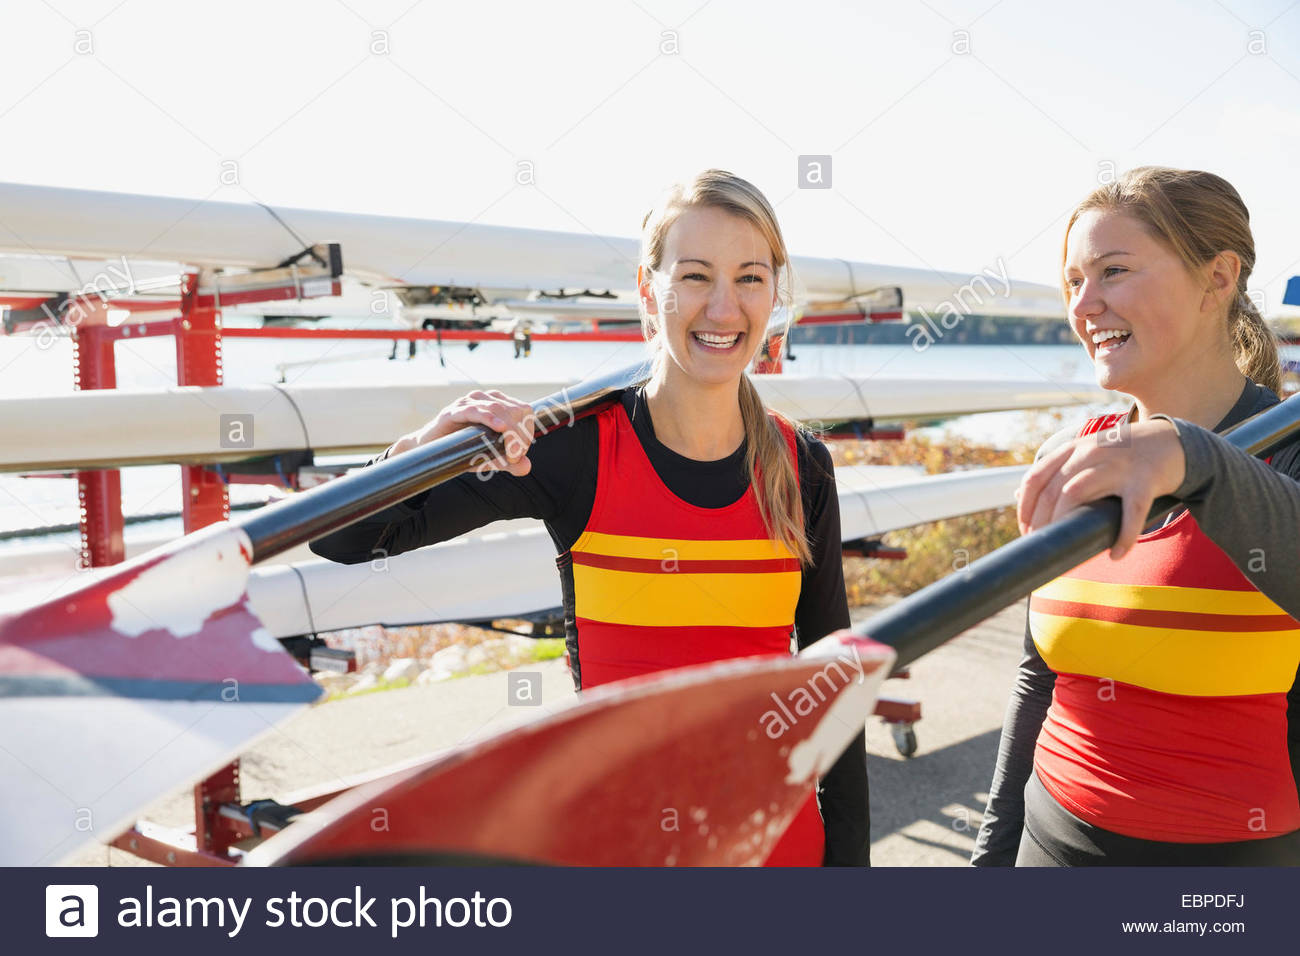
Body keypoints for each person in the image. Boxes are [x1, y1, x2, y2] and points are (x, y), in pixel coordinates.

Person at [310, 169, 869, 866]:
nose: (724, 309)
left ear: (774, 293)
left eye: (750, 278)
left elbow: (834, 696)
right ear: (647, 290)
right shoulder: (578, 452)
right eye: (695, 276)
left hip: (778, 858)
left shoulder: (800, 465)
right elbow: (343, 537)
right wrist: (421, 452)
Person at [971, 167, 1300, 866]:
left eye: (1113, 271)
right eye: (1072, 283)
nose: (1085, 305)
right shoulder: (1076, 455)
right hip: (1047, 845)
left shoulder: (1286, 451)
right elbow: (1039, 681)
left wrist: (1193, 455)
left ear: (1218, 278)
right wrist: (989, 864)